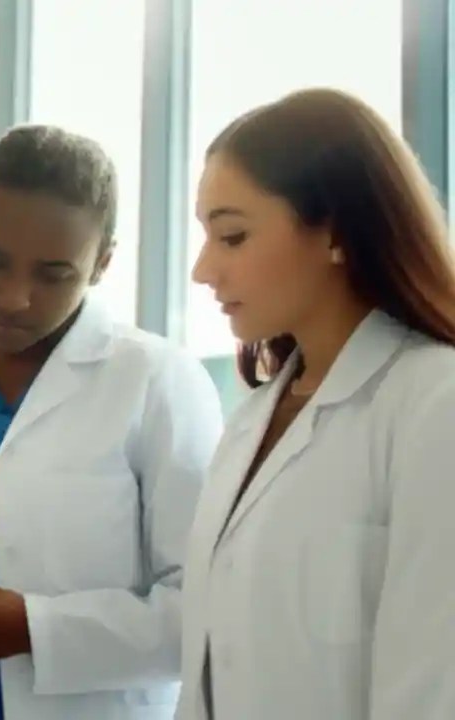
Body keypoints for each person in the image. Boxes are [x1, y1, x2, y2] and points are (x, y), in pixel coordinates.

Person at [0, 125, 223, 720]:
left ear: (101, 263)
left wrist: (33, 627)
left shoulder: (157, 383)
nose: (14, 297)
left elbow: (206, 609)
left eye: (53, 275)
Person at [176, 88, 455, 720]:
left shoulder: (435, 404)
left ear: (334, 231)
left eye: (233, 236)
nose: (202, 269)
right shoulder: (252, 418)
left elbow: (432, 689)